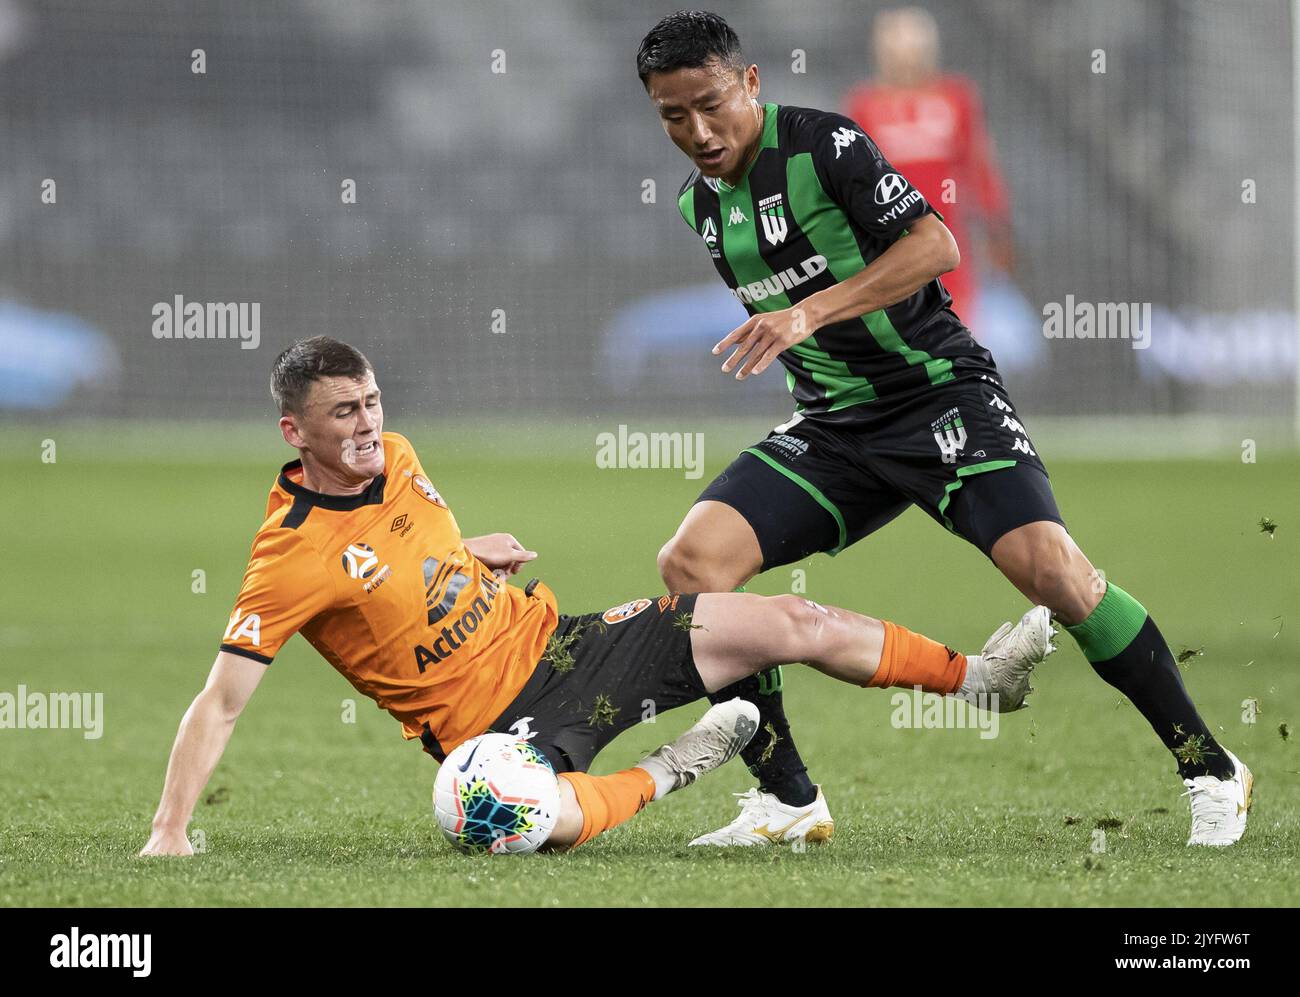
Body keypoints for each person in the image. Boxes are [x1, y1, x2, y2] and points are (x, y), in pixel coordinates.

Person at [636, 10, 1252, 848]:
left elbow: (935, 245)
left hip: (938, 400)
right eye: (674, 117)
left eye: (711, 105)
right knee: (692, 564)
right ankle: (788, 799)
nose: (699, 133)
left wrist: (807, 312)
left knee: (1055, 574)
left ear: (750, 82)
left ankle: (1210, 766)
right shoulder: (697, 205)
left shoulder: (827, 146)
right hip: (834, 429)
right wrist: (806, 347)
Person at [139, 337, 1052, 856]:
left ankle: (981, 677)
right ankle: (680, 764)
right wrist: (169, 831)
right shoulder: (289, 555)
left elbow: (405, 550)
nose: (370, 423)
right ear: (295, 431)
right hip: (495, 730)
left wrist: (463, 553)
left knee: (792, 621)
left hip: (565, 646)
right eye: (345, 413)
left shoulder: (402, 456)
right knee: (520, 822)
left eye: (373, 401)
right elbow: (220, 701)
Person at [842, 6, 1014, 322]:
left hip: (948, 250)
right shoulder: (865, 104)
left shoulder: (955, 98)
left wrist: (996, 224)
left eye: (913, 49)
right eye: (897, 49)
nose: (906, 58)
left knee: (955, 340)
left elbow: (978, 165)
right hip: (887, 252)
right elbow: (850, 180)